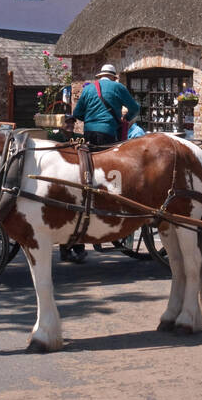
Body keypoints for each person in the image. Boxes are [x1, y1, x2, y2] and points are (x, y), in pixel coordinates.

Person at [60, 66, 141, 263]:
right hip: (108, 132)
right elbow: (135, 108)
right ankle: (112, 197)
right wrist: (125, 119)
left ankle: (90, 187)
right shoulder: (117, 87)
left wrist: (91, 116)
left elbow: (78, 113)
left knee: (90, 167)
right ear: (113, 76)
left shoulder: (88, 88)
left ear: (99, 76)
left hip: (89, 134)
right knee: (111, 168)